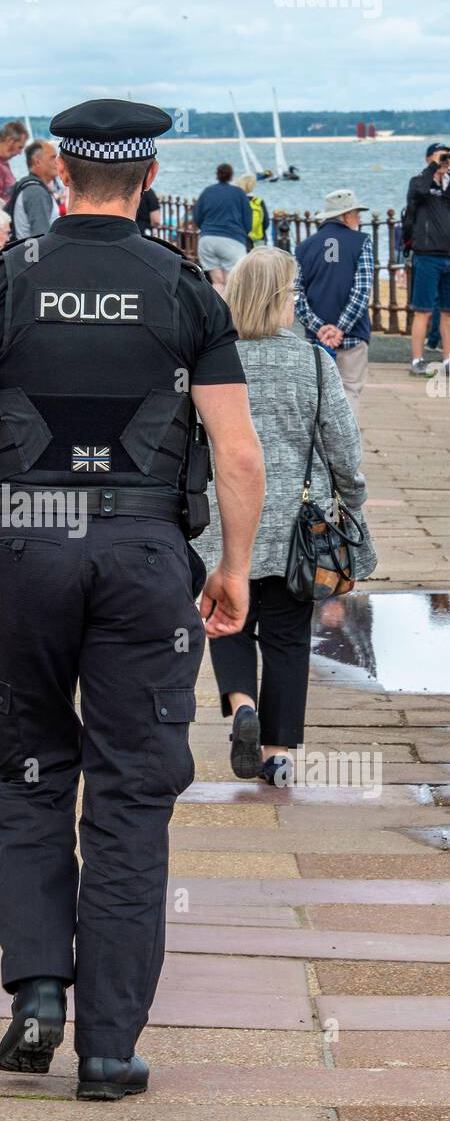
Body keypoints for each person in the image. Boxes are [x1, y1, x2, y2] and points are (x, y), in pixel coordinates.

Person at [0, 98, 265, 1101]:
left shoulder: (4, 282)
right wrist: (233, 567)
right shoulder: (184, 288)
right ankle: (108, 1047)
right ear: (149, 177)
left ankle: (35, 991)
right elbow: (237, 453)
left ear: (59, 173)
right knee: (129, 794)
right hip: (145, 555)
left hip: (25, 548)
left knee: (25, 770)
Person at [193, 248, 376, 787]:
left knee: (226, 616)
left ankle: (242, 703)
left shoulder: (210, 358)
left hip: (226, 517)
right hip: (299, 526)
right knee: (288, 637)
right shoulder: (313, 361)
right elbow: (342, 445)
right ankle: (276, 753)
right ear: (280, 299)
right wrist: (354, 498)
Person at [294, 189, 373, 418]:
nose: (358, 219)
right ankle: (346, 449)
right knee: (350, 391)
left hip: (316, 338)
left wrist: (319, 327)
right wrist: (340, 328)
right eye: (357, 214)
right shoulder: (362, 242)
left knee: (318, 395)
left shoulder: (304, 247)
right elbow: (361, 291)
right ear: (346, 216)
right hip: (353, 334)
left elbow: (297, 294)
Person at [404, 143, 450, 375]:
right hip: (427, 255)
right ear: (427, 159)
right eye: (439, 157)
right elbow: (419, 192)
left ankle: (448, 360)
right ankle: (416, 360)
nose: (443, 161)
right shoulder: (419, 182)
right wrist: (433, 167)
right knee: (423, 310)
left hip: (448, 256)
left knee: (448, 312)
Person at [193, 163, 252, 294]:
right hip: (232, 240)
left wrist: (206, 229)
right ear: (231, 176)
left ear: (217, 175)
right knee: (232, 284)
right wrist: (243, 234)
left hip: (207, 240)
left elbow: (197, 216)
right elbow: (248, 221)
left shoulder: (207, 191)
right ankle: (231, 313)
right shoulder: (239, 193)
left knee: (217, 282)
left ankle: (216, 313)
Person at [4, 138, 59, 239]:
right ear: (37, 162)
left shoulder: (26, 186)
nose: (57, 162)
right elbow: (41, 239)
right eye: (52, 158)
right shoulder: (36, 193)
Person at [236, 172, 269, 250]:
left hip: (242, 239)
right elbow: (266, 223)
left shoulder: (237, 201)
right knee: (259, 260)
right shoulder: (258, 201)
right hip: (259, 238)